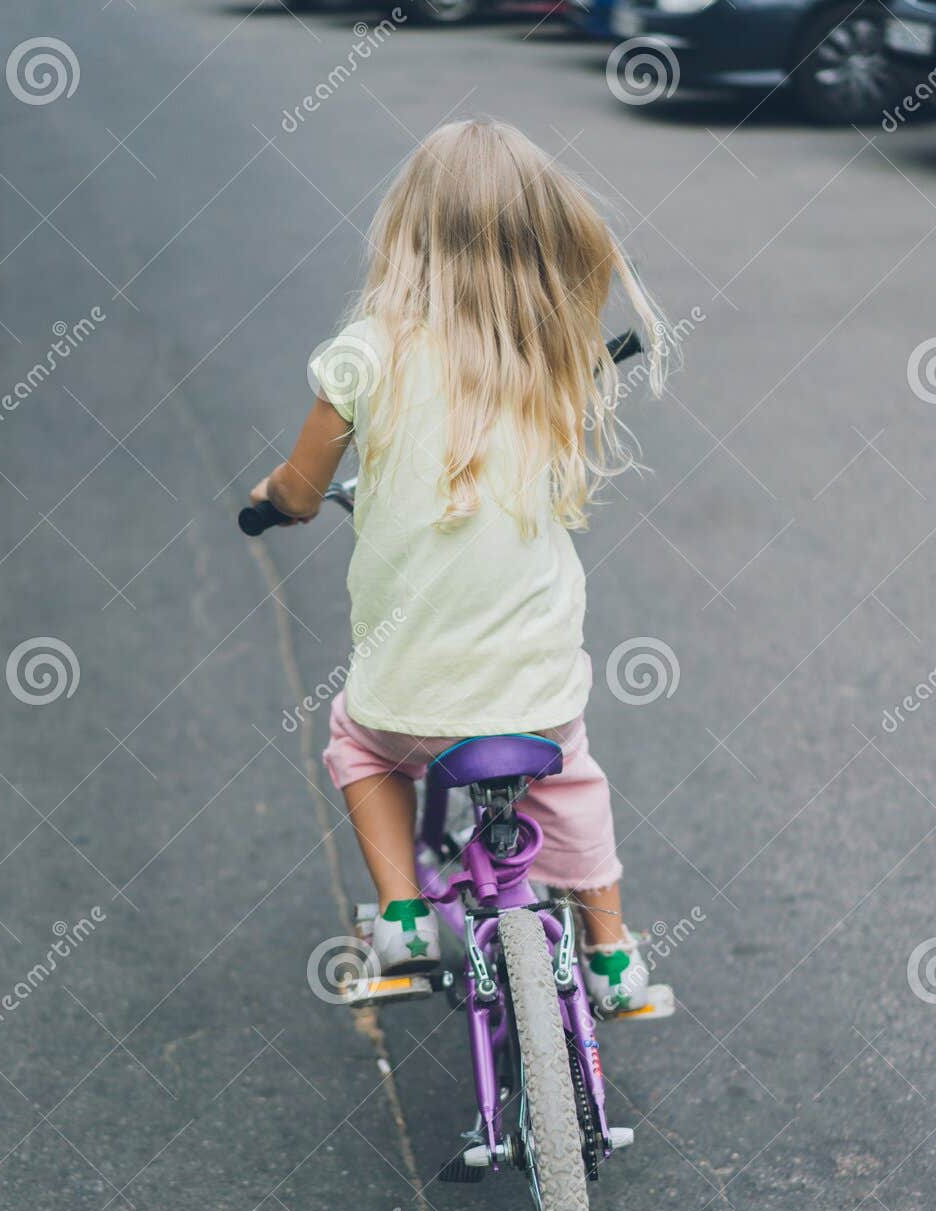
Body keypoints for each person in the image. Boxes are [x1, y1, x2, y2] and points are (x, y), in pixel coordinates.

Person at [249, 118, 668, 1012]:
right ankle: (612, 954)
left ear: (407, 234)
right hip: (534, 700)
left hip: (409, 702)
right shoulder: (549, 355)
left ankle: (401, 915)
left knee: (357, 742)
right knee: (574, 775)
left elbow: (302, 480)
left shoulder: (365, 353)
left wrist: (280, 500)